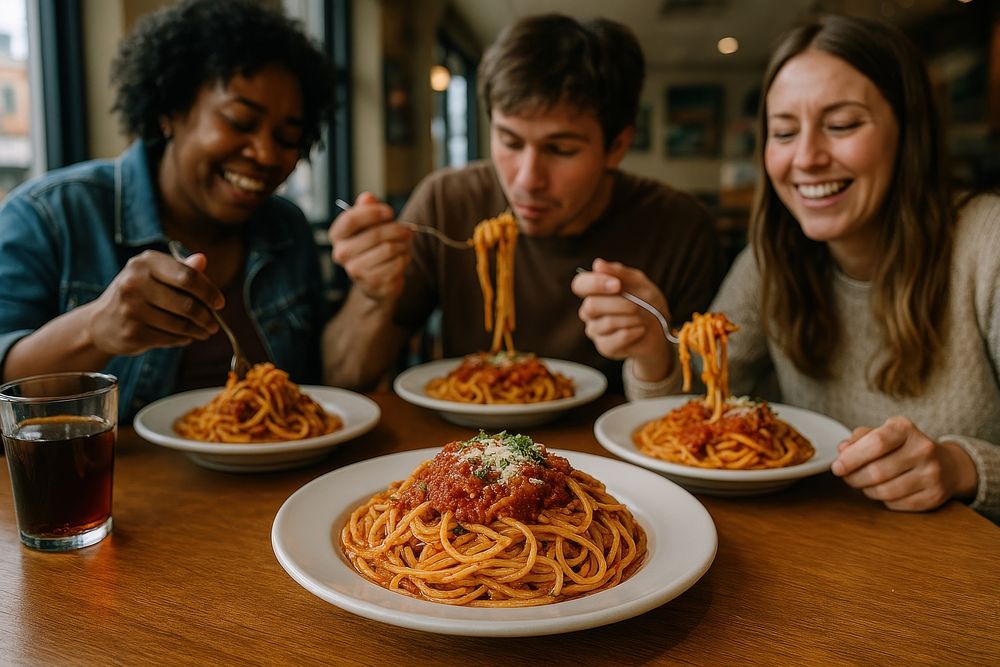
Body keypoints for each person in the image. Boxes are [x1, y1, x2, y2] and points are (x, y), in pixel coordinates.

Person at [574, 14, 1000, 522]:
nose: (807, 157)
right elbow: (698, 413)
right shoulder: (770, 259)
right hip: (820, 537)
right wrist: (653, 352)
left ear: (909, 133)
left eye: (842, 125)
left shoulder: (987, 242)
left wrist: (962, 467)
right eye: (783, 132)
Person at [324, 14, 725, 393]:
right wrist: (372, 295)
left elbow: (706, 400)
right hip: (466, 438)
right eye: (510, 142)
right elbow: (343, 377)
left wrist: (658, 352)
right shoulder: (448, 202)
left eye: (561, 150)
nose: (527, 180)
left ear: (617, 146)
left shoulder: (681, 227)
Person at [0, 0, 335, 421]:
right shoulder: (48, 216)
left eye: (287, 137)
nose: (266, 154)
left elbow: (323, 388)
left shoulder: (287, 227)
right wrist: (95, 329)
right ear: (171, 111)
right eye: (239, 122)